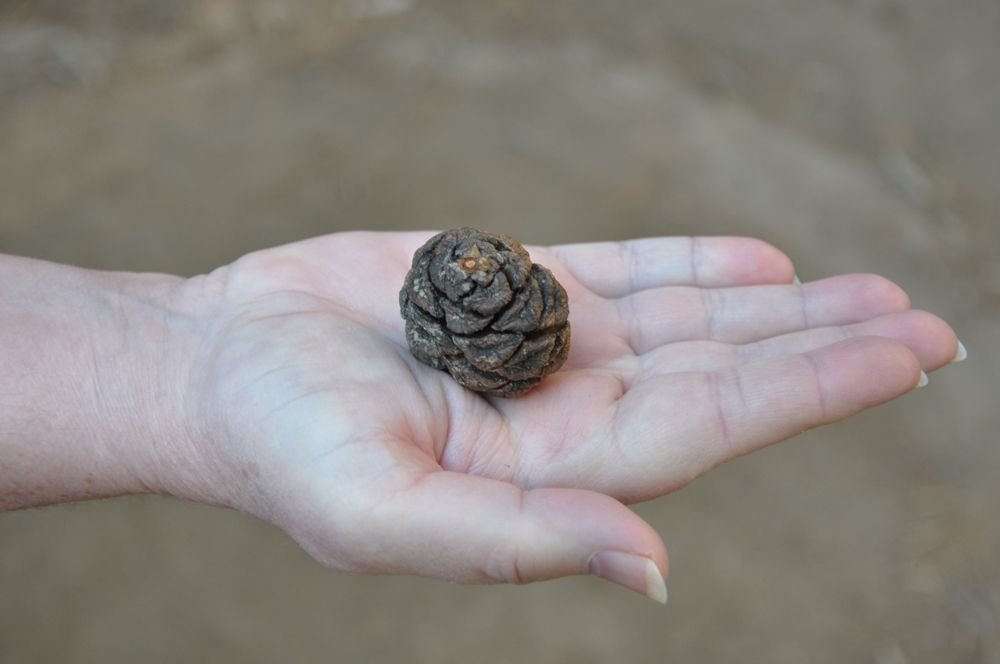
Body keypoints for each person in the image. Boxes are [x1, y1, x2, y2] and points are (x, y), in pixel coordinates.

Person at [0, 231, 964, 603]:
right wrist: (186, 364)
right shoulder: (464, 293)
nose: (474, 278)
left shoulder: (470, 295)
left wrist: (176, 349)